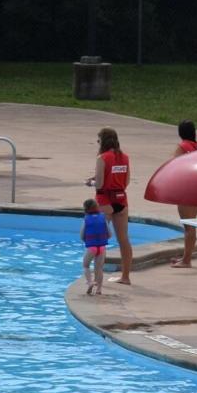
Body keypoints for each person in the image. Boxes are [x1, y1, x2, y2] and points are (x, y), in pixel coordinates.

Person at [85, 127, 133, 285]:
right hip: (121, 200)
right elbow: (126, 182)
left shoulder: (102, 158)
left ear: (103, 141)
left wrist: (90, 182)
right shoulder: (125, 157)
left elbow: (99, 183)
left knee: (98, 241)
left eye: (98, 140)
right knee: (124, 240)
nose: (98, 143)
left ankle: (97, 279)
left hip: (104, 201)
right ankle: (125, 277)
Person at [169, 121, 197, 267]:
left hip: (186, 190)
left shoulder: (182, 147)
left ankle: (186, 260)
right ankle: (186, 257)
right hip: (196, 189)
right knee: (191, 225)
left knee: (188, 226)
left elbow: (174, 167)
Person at [81, 198, 108, 296]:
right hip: (102, 247)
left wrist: (87, 241)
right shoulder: (103, 217)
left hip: (91, 247)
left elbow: (82, 235)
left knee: (85, 265)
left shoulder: (86, 219)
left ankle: (90, 282)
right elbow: (109, 234)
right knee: (99, 268)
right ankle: (99, 289)